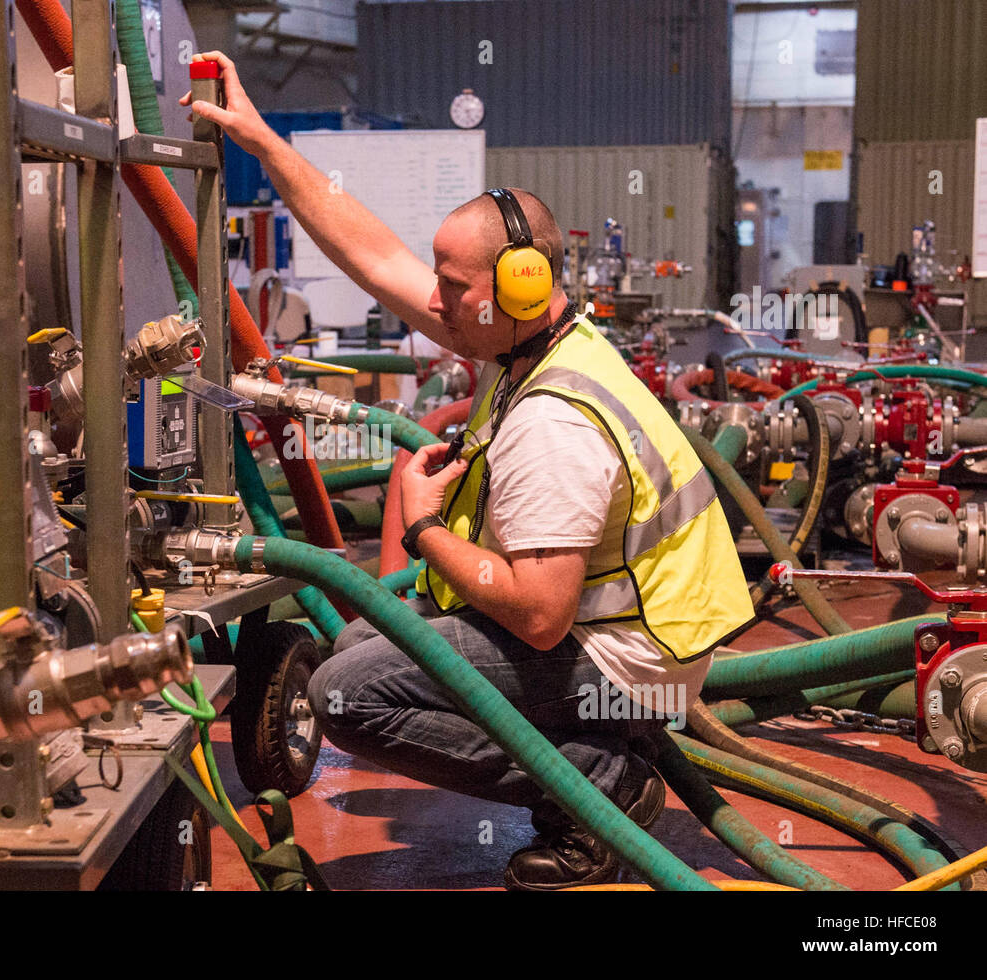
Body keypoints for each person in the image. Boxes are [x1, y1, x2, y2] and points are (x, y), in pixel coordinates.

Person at [182, 52, 753, 890]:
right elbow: (375, 255)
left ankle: (601, 788)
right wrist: (269, 146)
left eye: (451, 289)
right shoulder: (528, 340)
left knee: (347, 695)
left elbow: (539, 615)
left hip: (628, 662)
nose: (434, 306)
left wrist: (417, 525)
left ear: (515, 292)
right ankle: (595, 754)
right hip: (623, 637)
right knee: (364, 640)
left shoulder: (553, 421)